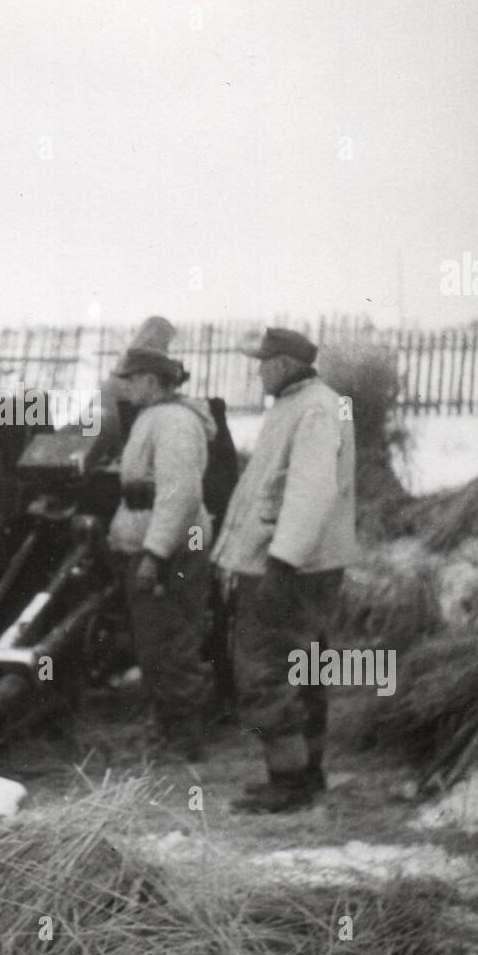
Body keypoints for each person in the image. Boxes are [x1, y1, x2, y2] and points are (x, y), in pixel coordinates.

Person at [212, 327, 357, 813]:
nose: (257, 371)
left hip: (287, 567)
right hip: (302, 565)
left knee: (266, 673)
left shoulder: (313, 409)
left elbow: (309, 492)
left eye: (262, 362)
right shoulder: (303, 405)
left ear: (281, 364)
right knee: (305, 671)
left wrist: (281, 563)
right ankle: (305, 774)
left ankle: (289, 783)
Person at [106, 317, 215, 761]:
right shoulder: (157, 417)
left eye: (130, 380)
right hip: (164, 546)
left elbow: (180, 494)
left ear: (151, 380)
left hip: (171, 552)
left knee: (170, 646)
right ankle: (169, 731)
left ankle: (183, 741)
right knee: (160, 645)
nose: (125, 388)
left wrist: (153, 553)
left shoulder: (171, 422)